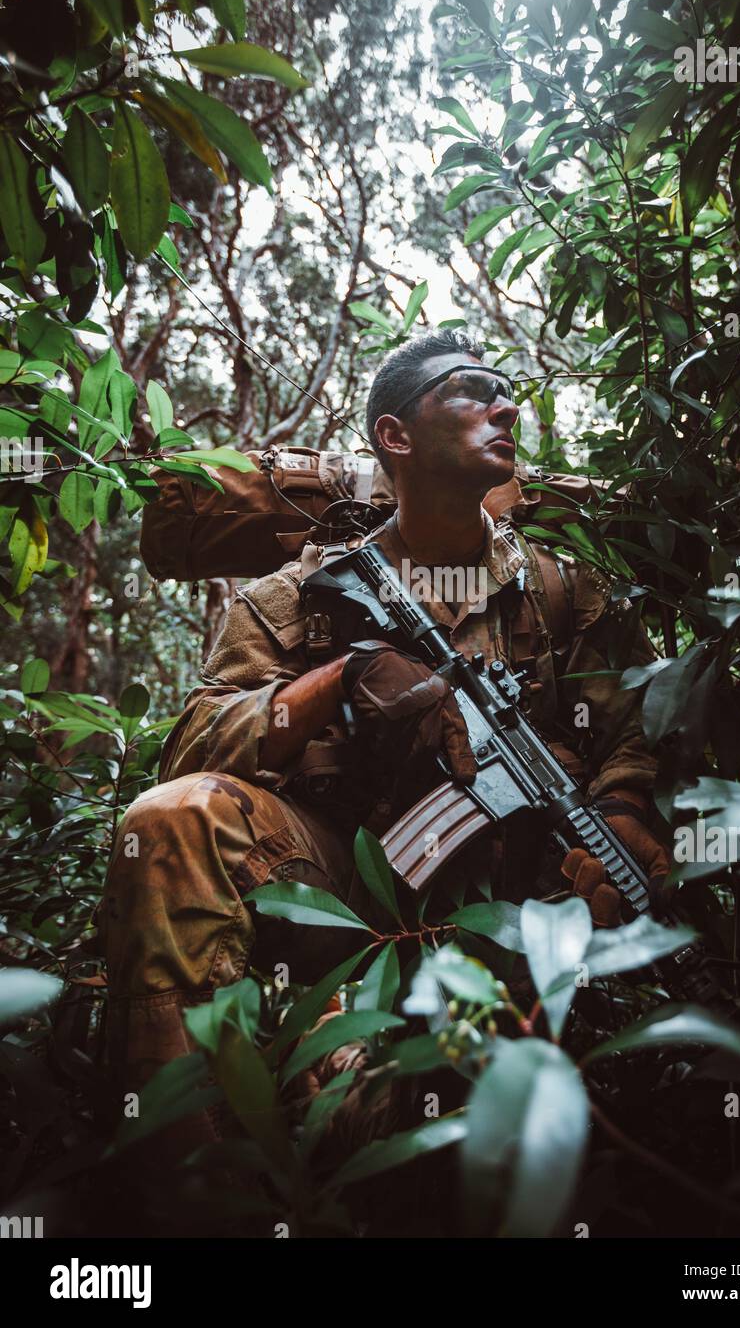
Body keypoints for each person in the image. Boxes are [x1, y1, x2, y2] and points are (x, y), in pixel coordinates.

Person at [98, 328, 671, 1141]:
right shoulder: (304, 597)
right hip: (337, 890)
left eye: (505, 388)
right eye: (471, 387)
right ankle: (188, 1179)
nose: (505, 403)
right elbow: (196, 741)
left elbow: (629, 727)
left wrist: (619, 809)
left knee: (428, 1131)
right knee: (170, 818)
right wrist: (341, 677)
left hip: (512, 905)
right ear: (394, 436)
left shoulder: (558, 590)